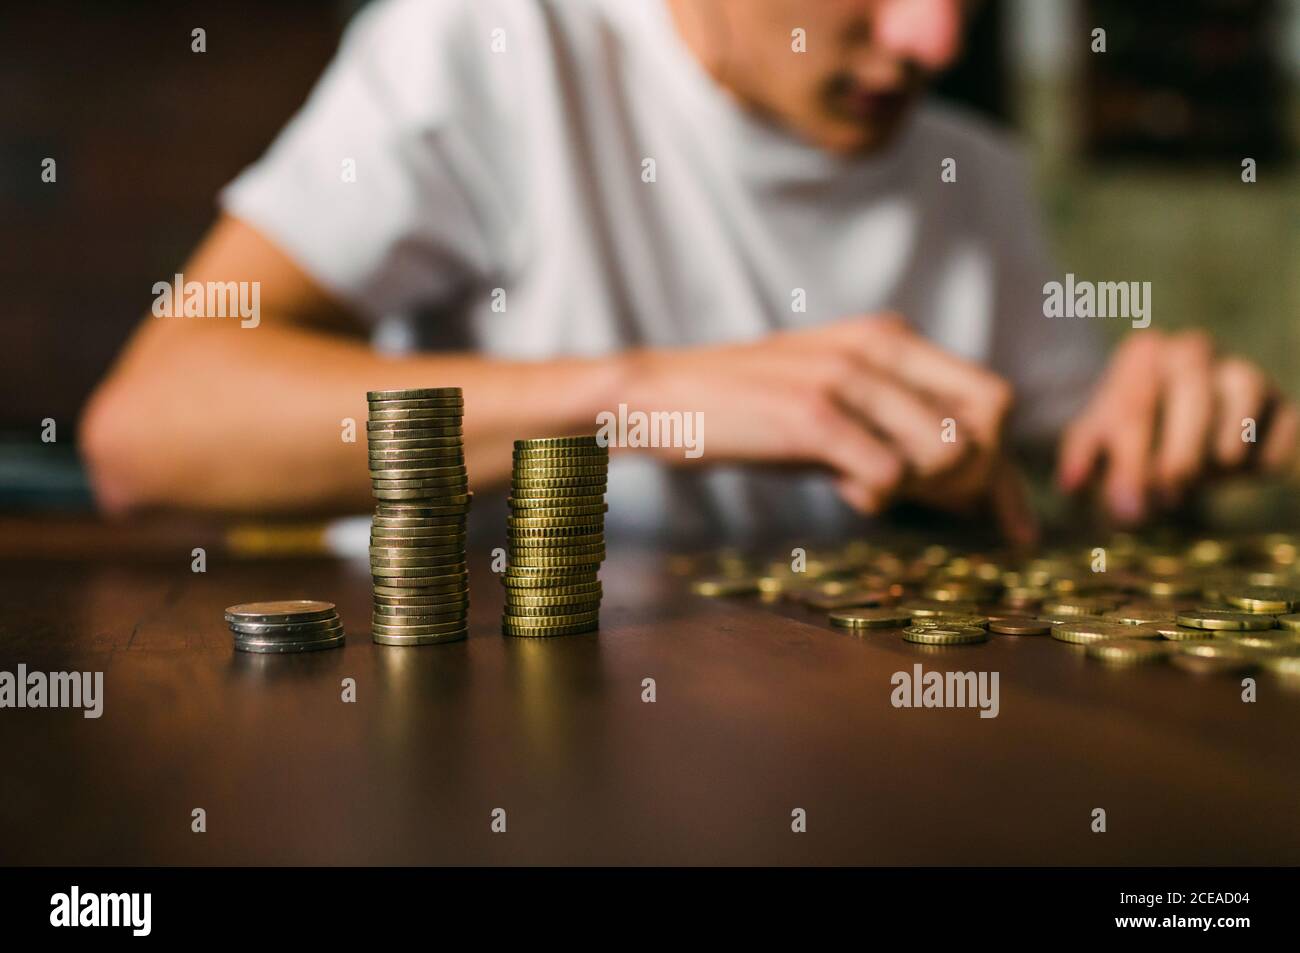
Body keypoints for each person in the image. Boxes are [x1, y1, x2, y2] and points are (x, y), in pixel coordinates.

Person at [79, 0, 1297, 544]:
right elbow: (147, 428)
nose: (931, 39)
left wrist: (1163, 436)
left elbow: (1066, 488)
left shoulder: (970, 168)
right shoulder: (490, 46)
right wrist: (634, 394)